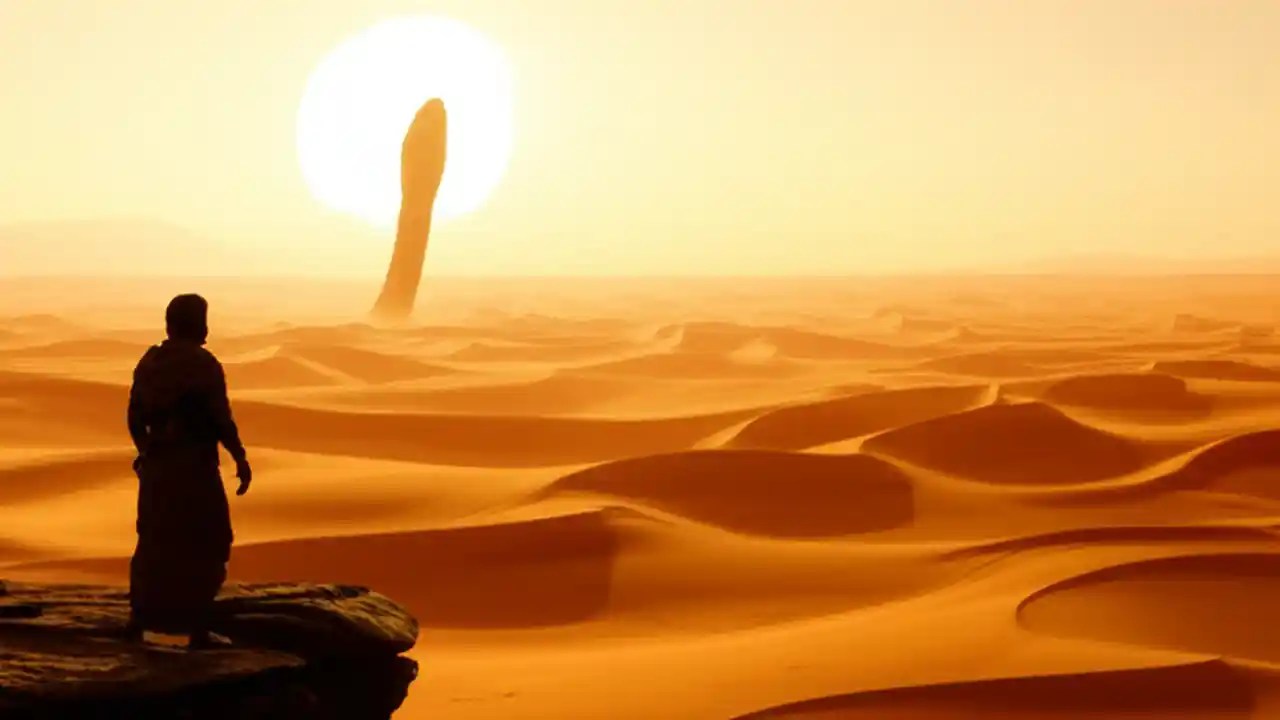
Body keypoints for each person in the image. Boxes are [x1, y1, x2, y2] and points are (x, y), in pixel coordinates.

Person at [124, 293, 252, 649]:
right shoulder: (203, 363)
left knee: (153, 542)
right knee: (209, 541)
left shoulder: (150, 361)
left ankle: (139, 618)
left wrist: (146, 451)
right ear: (197, 323)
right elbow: (221, 418)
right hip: (194, 469)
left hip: (158, 469)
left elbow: (133, 417)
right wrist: (239, 458)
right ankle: (196, 627)